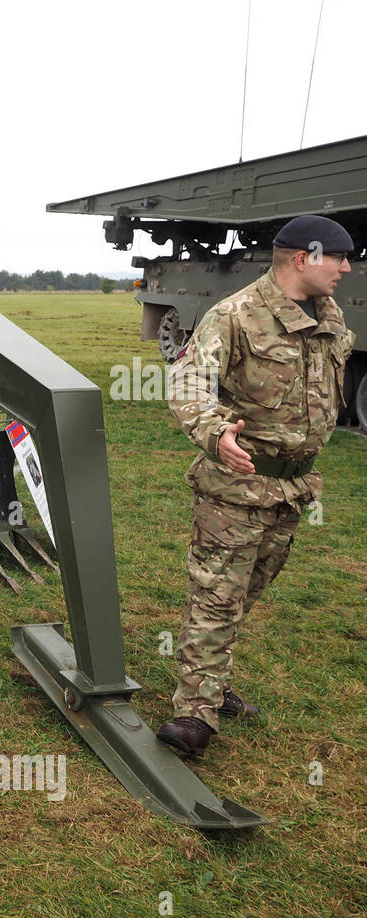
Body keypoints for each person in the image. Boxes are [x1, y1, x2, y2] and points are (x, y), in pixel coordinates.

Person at [157, 215, 356, 759]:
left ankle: (210, 681)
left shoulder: (330, 318)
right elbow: (187, 380)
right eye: (337, 257)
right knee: (218, 597)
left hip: (291, 491)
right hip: (236, 488)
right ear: (302, 258)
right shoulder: (236, 315)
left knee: (244, 594)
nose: (345, 267)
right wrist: (215, 432)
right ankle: (193, 714)